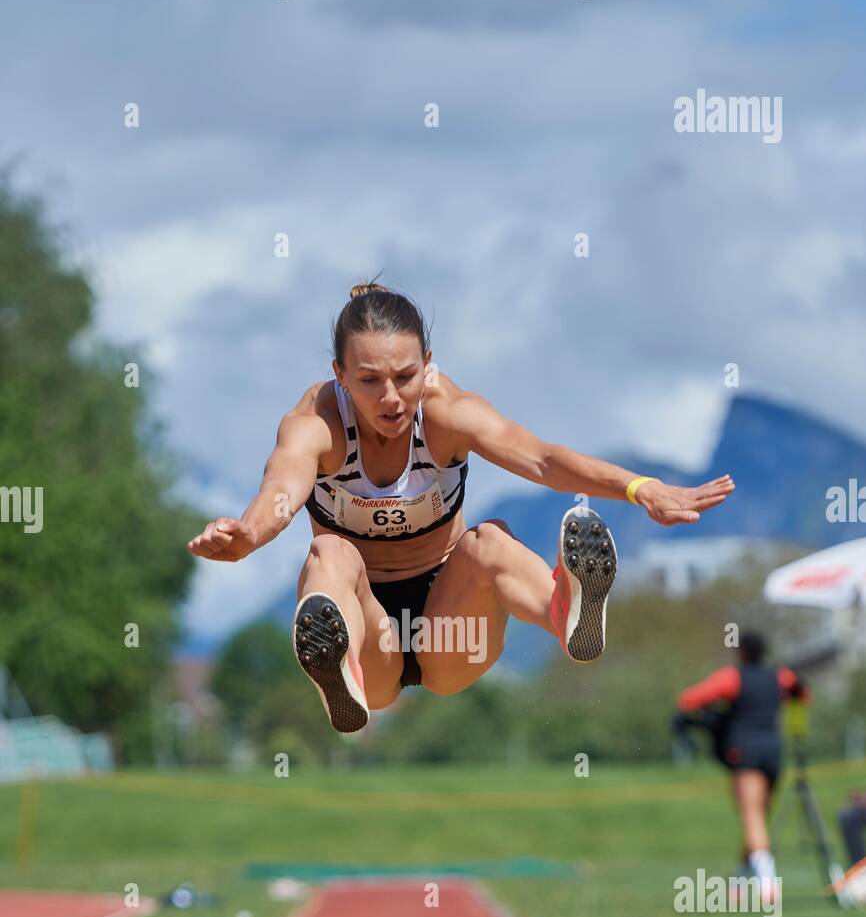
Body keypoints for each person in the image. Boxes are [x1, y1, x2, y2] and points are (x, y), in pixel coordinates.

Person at [188, 281, 735, 732]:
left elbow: (542, 460)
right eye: (369, 382)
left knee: (489, 541)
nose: (391, 398)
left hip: (451, 630)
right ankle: (339, 668)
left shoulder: (447, 414)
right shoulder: (316, 427)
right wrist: (249, 536)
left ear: (427, 364)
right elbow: (281, 491)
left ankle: (567, 613)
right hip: (372, 631)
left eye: (405, 377)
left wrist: (641, 489)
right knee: (329, 551)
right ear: (339, 374)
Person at [675, 630, 811, 900]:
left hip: (744, 751)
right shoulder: (780, 676)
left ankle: (768, 882)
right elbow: (804, 695)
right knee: (759, 816)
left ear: (742, 652)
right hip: (773, 751)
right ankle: (740, 880)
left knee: (752, 814)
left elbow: (689, 699)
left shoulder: (733, 677)